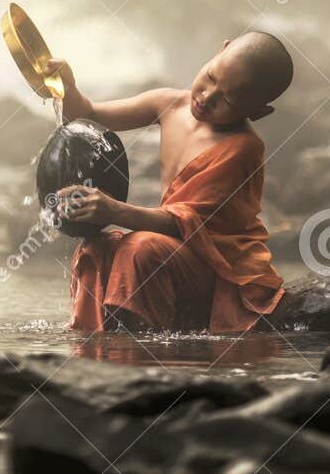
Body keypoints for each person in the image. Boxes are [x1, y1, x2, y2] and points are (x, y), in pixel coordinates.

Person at [48, 31, 293, 333]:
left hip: (216, 269)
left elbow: (187, 225)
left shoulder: (242, 148)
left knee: (141, 248)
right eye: (211, 78)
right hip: (172, 252)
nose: (206, 97)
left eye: (226, 99)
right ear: (221, 49)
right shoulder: (168, 103)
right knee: (97, 247)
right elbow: (87, 116)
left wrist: (114, 210)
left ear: (257, 111)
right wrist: (66, 87)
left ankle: (141, 352)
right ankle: (92, 340)